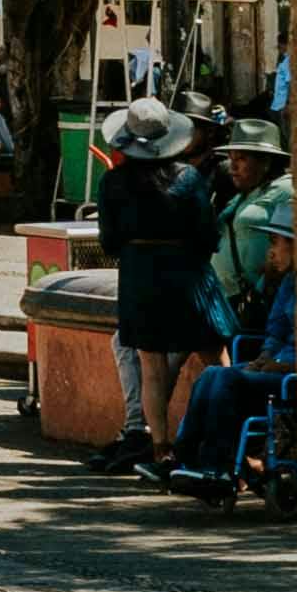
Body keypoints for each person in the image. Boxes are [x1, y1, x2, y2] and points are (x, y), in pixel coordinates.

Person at [89, 96, 223, 472]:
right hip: (189, 275)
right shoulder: (190, 178)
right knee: (215, 355)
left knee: (151, 365)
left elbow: (109, 242)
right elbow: (208, 234)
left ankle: (160, 447)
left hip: (141, 278)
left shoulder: (113, 182)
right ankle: (224, 437)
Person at [165, 125, 297, 498]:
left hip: (292, 375)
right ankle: (186, 462)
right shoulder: (287, 284)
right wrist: (268, 356)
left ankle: (215, 466)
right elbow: (275, 332)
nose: (272, 250)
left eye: (277, 243)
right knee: (209, 378)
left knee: (222, 379)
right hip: (272, 359)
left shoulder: (283, 193)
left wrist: (278, 363)